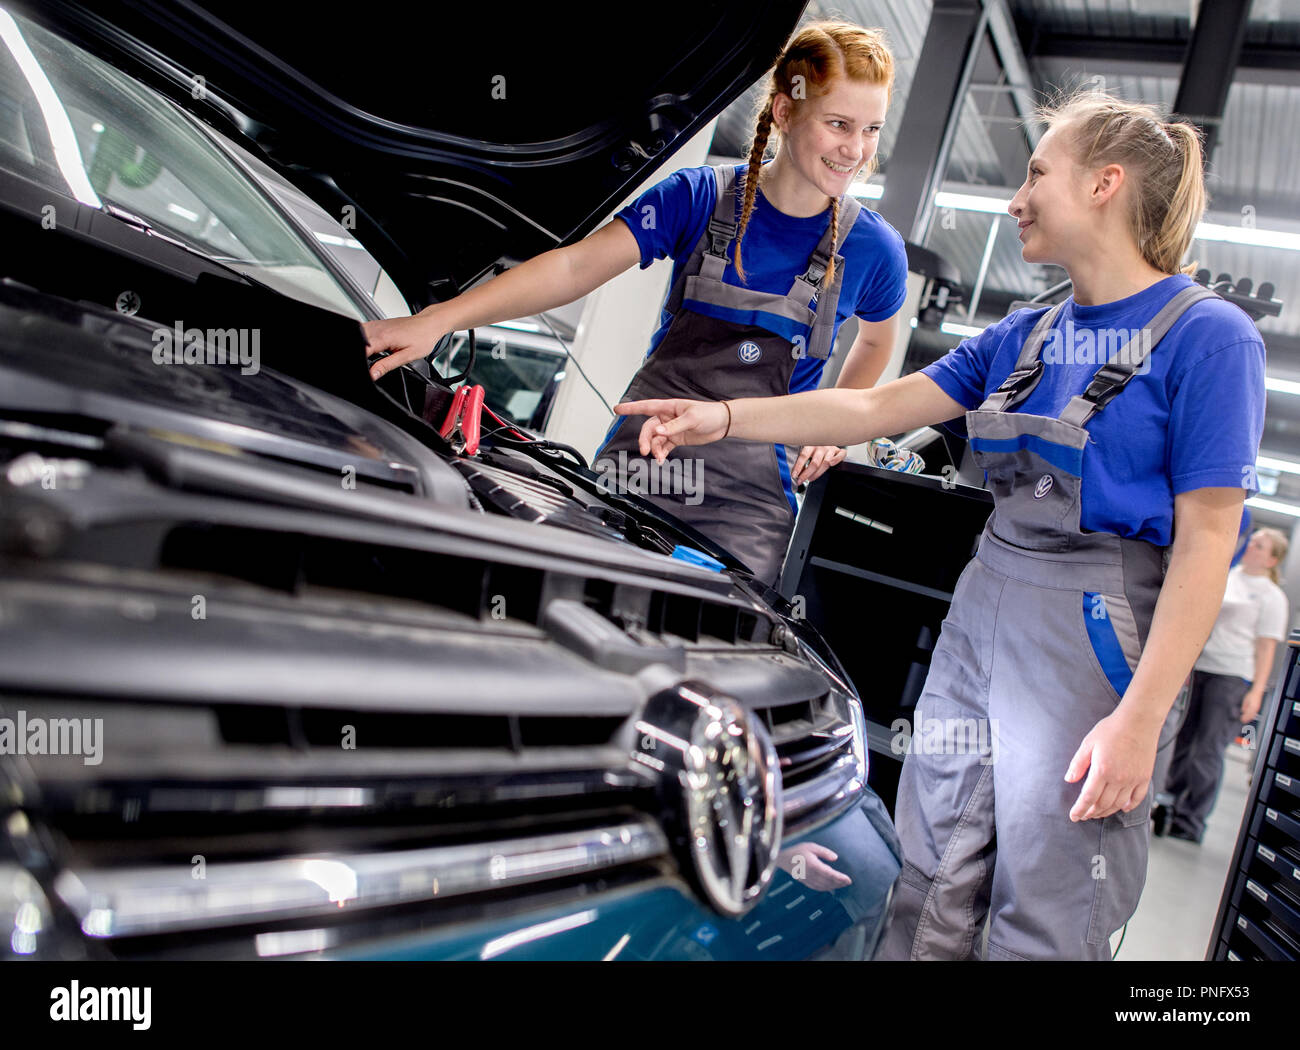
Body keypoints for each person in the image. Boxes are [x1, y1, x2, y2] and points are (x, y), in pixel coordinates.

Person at [614, 90, 1267, 960]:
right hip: (984, 604)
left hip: (1093, 638)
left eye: (1038, 173)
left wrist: (1141, 721)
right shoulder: (1026, 334)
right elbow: (878, 404)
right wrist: (726, 421)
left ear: (1107, 184)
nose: (1016, 198)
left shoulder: (1210, 338)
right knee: (929, 869)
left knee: (1048, 901)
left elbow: (1208, 545)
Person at [360, 21, 909, 586]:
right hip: (640, 468)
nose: (856, 150)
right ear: (786, 112)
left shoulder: (872, 249)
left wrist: (836, 425)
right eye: (838, 124)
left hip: (750, 510)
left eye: (871, 129)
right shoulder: (698, 199)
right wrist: (438, 320)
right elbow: (575, 265)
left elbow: (876, 342)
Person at [1159, 527, 1289, 842]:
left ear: (1272, 559)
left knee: (1207, 751)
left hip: (1232, 675)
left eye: (1260, 545)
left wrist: (1256, 691)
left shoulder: (1272, 597)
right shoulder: (1229, 575)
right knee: (1182, 742)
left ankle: (1191, 822)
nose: (1251, 546)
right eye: (1253, 541)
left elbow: (1266, 648)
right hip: (1201, 667)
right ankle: (1166, 806)